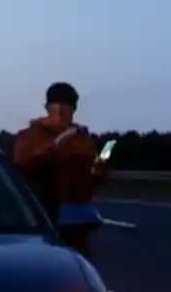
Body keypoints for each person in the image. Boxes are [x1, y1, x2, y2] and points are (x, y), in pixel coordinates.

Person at [11, 82, 110, 254]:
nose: (63, 115)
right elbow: (23, 166)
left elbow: (95, 176)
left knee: (77, 270)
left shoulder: (83, 139)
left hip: (77, 221)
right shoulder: (29, 136)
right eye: (58, 109)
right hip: (42, 217)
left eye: (68, 109)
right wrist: (56, 146)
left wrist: (103, 161)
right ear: (47, 108)